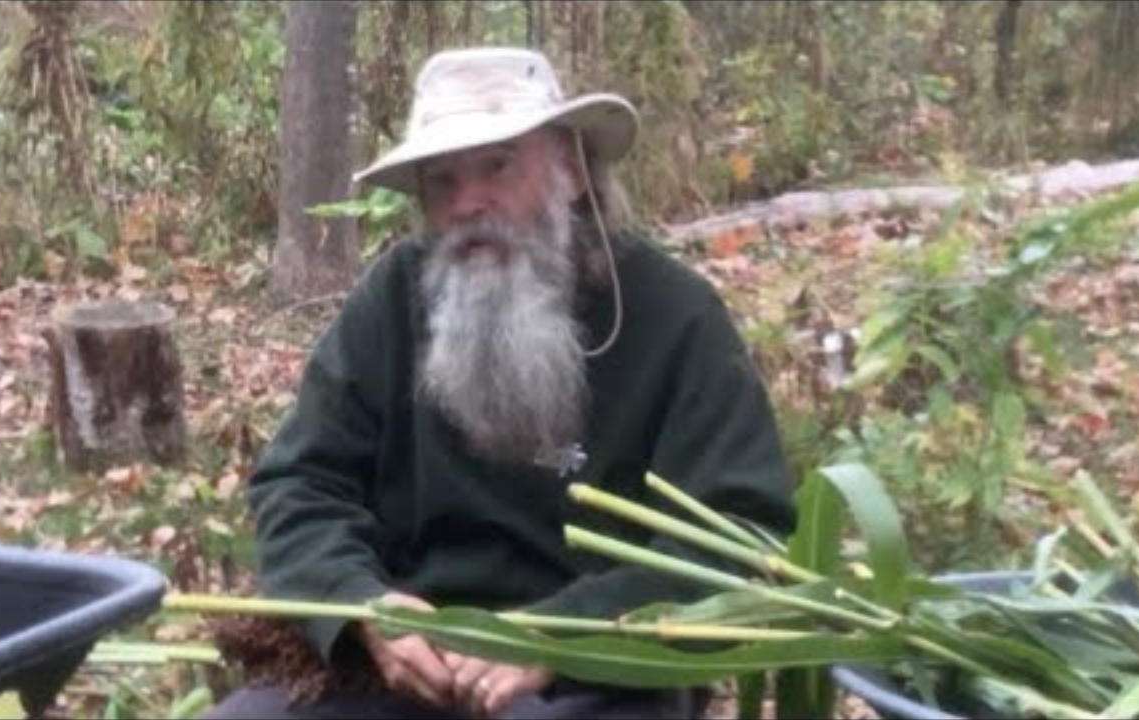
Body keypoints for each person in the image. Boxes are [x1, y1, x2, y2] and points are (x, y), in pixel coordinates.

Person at [206, 47, 796, 720]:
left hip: (601, 669)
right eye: (442, 180)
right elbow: (300, 483)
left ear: (571, 169)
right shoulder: (394, 299)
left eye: (498, 165)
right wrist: (363, 607)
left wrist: (562, 636)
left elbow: (739, 535)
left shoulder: (675, 316)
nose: (467, 203)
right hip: (413, 663)